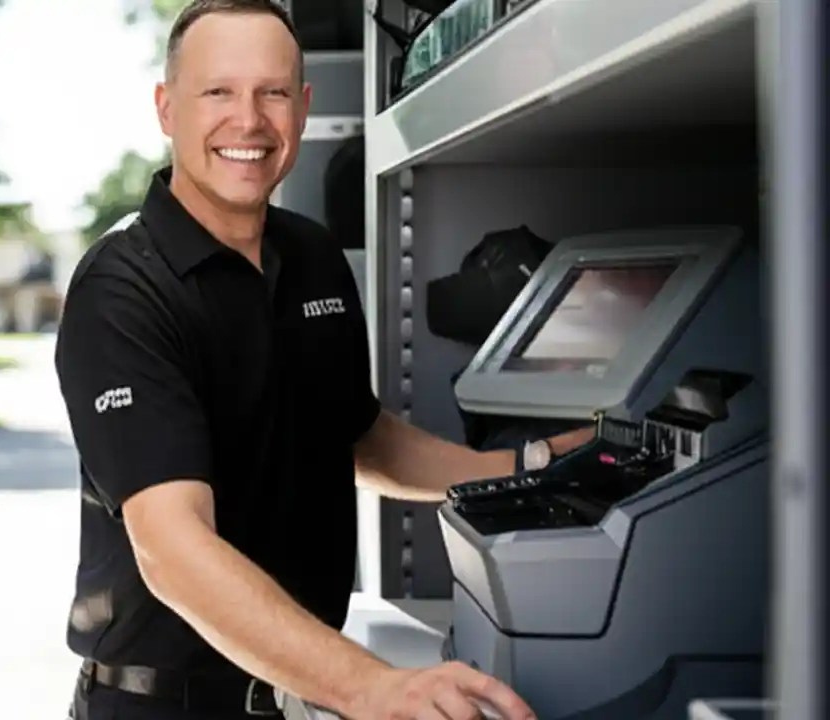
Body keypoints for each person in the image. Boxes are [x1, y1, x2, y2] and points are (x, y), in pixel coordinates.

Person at [54, 2, 592, 718]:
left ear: (302, 108)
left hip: (301, 697)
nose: (248, 121)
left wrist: (521, 468)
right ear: (166, 107)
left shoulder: (310, 256)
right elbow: (172, 551)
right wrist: (373, 685)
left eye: (272, 93)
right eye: (218, 92)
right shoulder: (121, 290)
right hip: (167, 706)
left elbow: (357, 435)